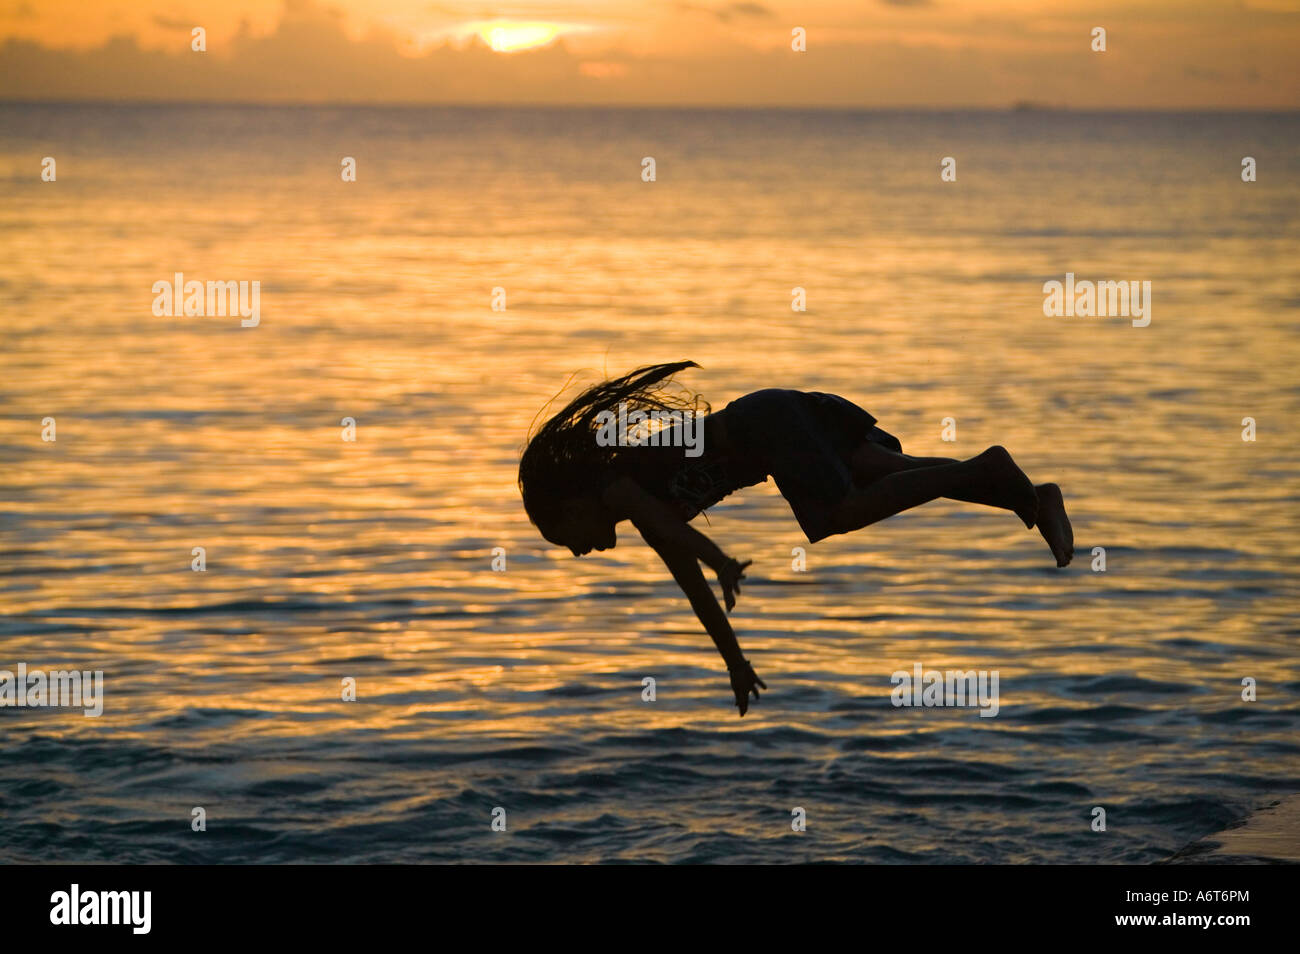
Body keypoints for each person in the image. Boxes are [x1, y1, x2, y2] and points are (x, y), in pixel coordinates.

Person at [518, 361, 1073, 716]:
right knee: (887, 474)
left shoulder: (619, 486)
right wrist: (734, 661)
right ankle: (1029, 495)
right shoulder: (638, 507)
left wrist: (722, 561)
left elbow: (675, 537)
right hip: (780, 412)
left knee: (832, 515)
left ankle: (987, 467)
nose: (575, 550)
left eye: (562, 537)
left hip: (770, 427)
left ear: (573, 505)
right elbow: (692, 588)